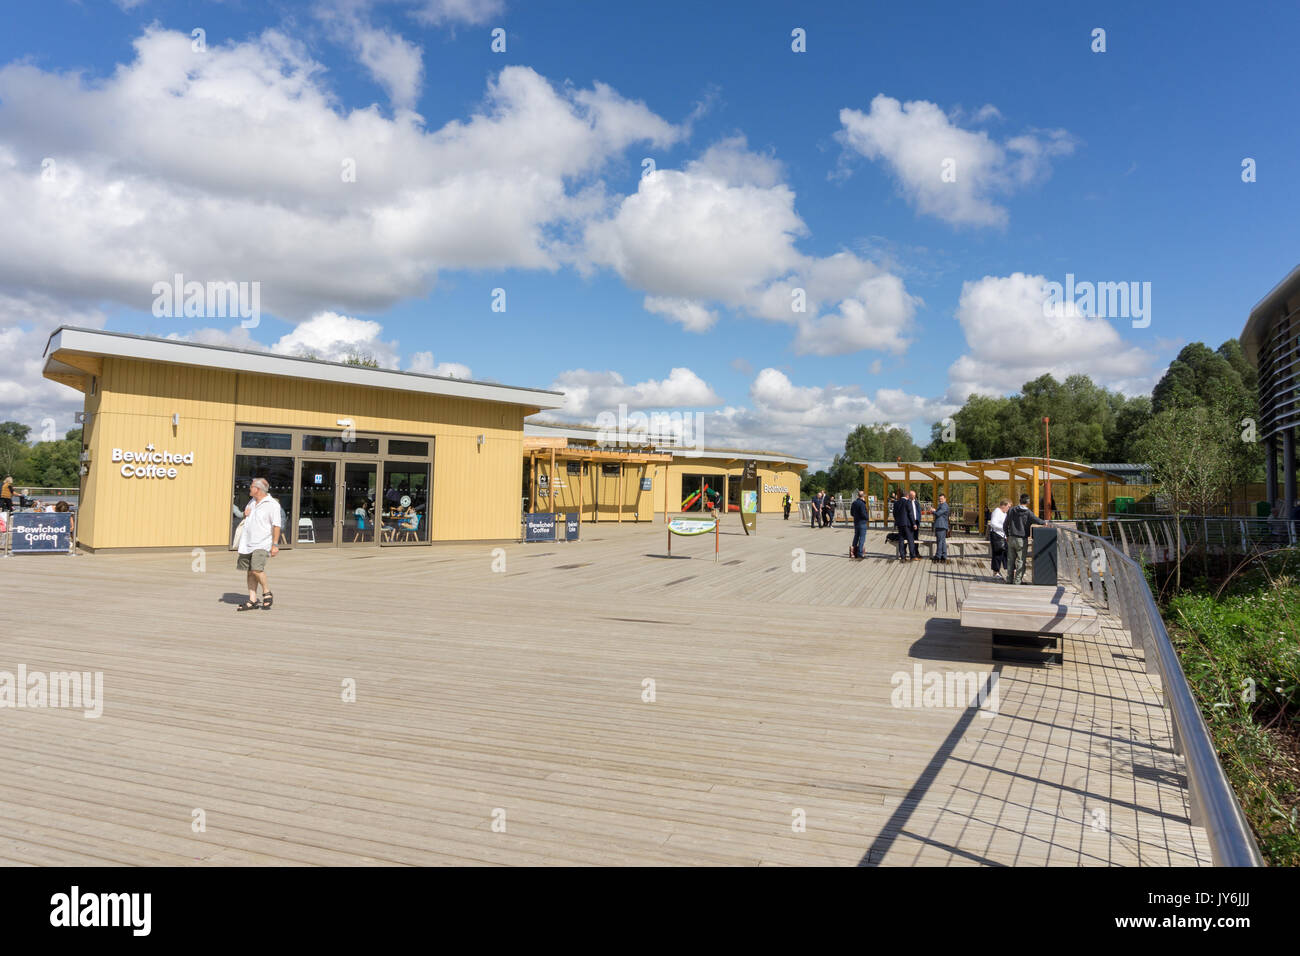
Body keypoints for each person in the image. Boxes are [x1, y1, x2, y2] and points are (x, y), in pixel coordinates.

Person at [235, 477, 282, 611]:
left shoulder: (272, 504)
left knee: (256, 569)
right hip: (247, 543)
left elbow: (276, 525)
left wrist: (275, 545)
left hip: (262, 543)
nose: (249, 489)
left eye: (251, 487)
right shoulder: (251, 502)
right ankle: (252, 600)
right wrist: (245, 514)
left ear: (258, 489)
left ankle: (267, 592)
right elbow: (248, 518)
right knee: (250, 572)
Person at [1004, 493, 1048, 585]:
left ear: (1020, 500)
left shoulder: (1011, 510)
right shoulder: (1028, 513)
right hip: (1022, 539)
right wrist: (1045, 523)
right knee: (1021, 560)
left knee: (1010, 560)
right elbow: (1038, 520)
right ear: (1028, 502)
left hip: (1011, 538)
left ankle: (1009, 579)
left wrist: (1007, 535)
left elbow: (1005, 524)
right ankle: (1017, 581)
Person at [989, 498, 1010, 579]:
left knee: (1005, 553)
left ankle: (1011, 569)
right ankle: (996, 572)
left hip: (1001, 535)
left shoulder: (1003, 513)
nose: (1009, 508)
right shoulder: (997, 511)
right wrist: (1004, 528)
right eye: (1008, 506)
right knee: (997, 553)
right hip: (996, 535)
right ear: (1003, 506)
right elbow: (993, 523)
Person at [892, 490, 916, 562]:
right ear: (907, 496)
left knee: (901, 540)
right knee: (910, 540)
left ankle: (902, 556)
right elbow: (910, 514)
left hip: (899, 524)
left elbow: (894, 513)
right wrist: (914, 523)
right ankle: (912, 556)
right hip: (907, 524)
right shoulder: (908, 502)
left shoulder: (896, 503)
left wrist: (897, 520)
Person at [849, 490, 869, 559]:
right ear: (863, 496)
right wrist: (867, 518)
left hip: (856, 522)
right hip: (862, 522)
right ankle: (860, 553)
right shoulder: (862, 504)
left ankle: (853, 552)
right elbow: (863, 514)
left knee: (856, 537)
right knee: (862, 538)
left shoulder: (854, 503)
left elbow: (851, 513)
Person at [931, 493, 950, 563]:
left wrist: (933, 511)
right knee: (942, 542)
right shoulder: (941, 505)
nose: (940, 500)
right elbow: (938, 513)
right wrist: (934, 511)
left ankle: (938, 556)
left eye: (942, 499)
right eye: (939, 499)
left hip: (941, 525)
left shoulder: (944, 505)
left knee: (939, 541)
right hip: (940, 525)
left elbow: (938, 513)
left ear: (945, 499)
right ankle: (943, 556)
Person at [906, 490, 922, 560]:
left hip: (916, 521)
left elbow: (919, 512)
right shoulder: (907, 502)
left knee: (916, 538)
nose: (913, 497)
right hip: (909, 523)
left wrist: (918, 520)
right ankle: (911, 553)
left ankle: (916, 552)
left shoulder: (917, 503)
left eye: (914, 495)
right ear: (909, 495)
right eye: (911, 495)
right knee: (910, 538)